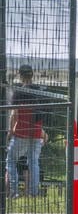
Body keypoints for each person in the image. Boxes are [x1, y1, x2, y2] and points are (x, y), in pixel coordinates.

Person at [6, 64, 46, 198]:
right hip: (36, 133)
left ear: (20, 75)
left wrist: (11, 130)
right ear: (32, 75)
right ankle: (33, 193)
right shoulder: (39, 90)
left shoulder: (18, 91)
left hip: (21, 132)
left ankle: (14, 192)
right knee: (34, 162)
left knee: (11, 160)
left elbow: (14, 113)